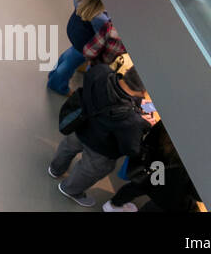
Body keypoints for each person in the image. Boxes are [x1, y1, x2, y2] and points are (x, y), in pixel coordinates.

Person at [49, 64, 154, 207]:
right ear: (143, 91)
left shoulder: (100, 72)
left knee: (67, 147)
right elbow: (130, 149)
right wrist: (144, 126)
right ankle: (70, 189)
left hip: (80, 125)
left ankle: (55, 169)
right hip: (101, 148)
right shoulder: (132, 120)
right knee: (88, 170)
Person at [104, 121, 201, 212]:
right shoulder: (196, 153)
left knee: (138, 186)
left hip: (152, 168)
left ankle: (114, 204)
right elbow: (198, 194)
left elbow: (149, 139)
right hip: (171, 192)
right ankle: (114, 204)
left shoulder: (168, 122)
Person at [46, 0, 110, 93]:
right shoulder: (101, 18)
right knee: (69, 64)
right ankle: (57, 85)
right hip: (85, 42)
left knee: (69, 55)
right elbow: (102, 35)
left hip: (74, 28)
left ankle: (53, 74)